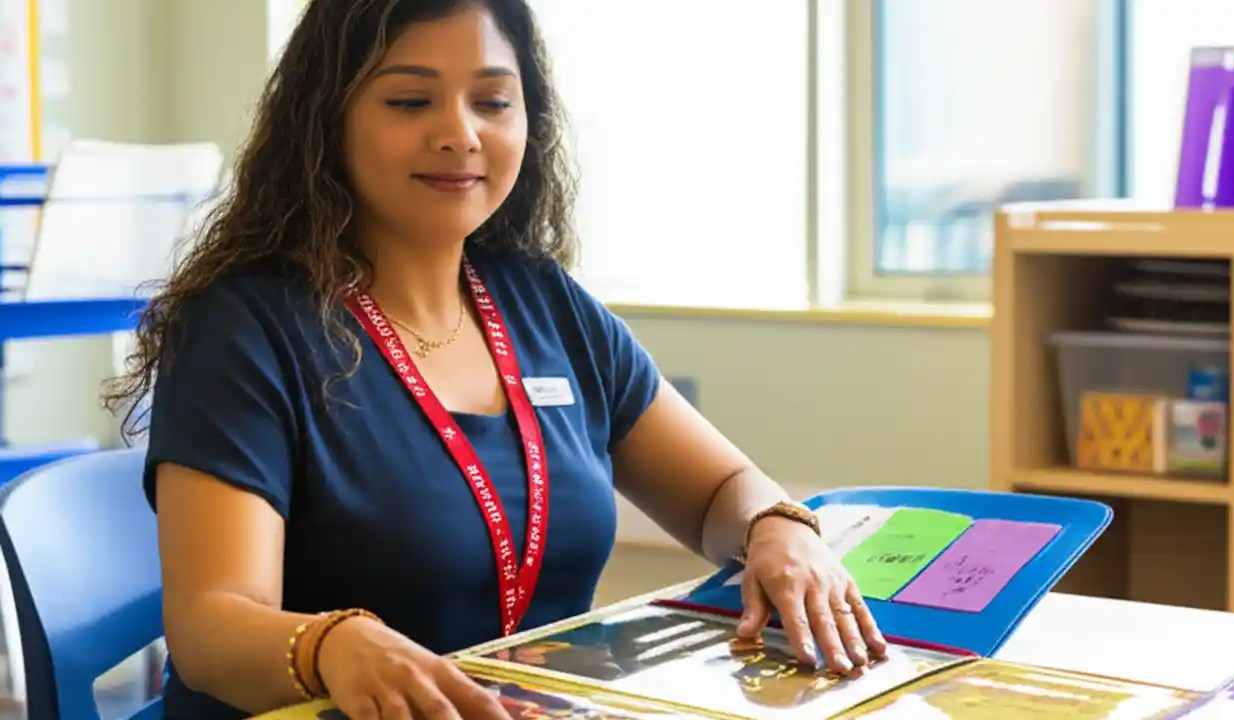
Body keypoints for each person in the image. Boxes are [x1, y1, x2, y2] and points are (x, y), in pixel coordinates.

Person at [102, 1, 885, 718]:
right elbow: (209, 630)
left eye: (493, 101)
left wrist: (777, 528)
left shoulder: (542, 299)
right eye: (409, 101)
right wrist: (333, 646)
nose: (460, 134)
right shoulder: (242, 328)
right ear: (325, 120)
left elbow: (719, 490)